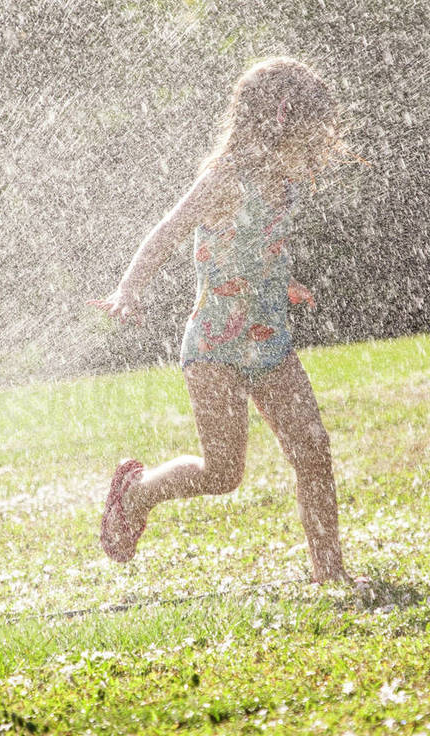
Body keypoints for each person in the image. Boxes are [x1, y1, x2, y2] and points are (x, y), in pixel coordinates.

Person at [88, 56, 357, 584]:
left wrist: (280, 281)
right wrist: (128, 288)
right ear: (281, 120)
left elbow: (251, 246)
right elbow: (168, 232)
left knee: (313, 451)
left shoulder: (289, 180)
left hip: (271, 341)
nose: (322, 140)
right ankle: (137, 492)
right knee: (223, 471)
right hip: (215, 346)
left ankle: (330, 574)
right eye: (315, 126)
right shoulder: (225, 178)